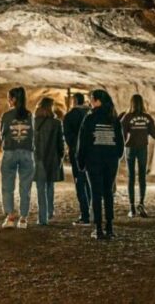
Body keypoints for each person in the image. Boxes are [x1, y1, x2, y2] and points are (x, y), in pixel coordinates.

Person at [77, 89, 124, 240]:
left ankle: (98, 228)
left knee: (96, 194)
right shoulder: (113, 118)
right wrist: (117, 156)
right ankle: (109, 227)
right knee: (108, 192)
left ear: (97, 101)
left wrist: (81, 161)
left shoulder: (90, 118)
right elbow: (120, 141)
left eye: (91, 99)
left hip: (94, 160)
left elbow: (83, 141)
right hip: (110, 160)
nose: (90, 102)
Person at [0, 87, 35, 229]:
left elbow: (2, 134)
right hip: (27, 152)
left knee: (7, 186)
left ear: (13, 99)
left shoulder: (7, 116)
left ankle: (10, 217)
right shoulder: (29, 115)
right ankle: (23, 219)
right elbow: (33, 134)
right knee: (25, 187)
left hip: (10, 152)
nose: (8, 100)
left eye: (9, 97)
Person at [120, 94, 155, 218]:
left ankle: (132, 208)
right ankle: (141, 203)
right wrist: (145, 129)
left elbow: (122, 135)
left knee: (131, 177)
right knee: (142, 176)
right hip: (142, 148)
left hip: (130, 148)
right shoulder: (147, 117)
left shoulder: (127, 117)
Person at [33, 97, 65, 226]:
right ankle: (50, 211)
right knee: (50, 186)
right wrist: (60, 157)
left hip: (37, 157)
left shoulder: (34, 122)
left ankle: (42, 218)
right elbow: (60, 143)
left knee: (40, 187)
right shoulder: (56, 123)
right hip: (52, 158)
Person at [63, 92, 92, 227]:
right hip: (93, 153)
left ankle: (85, 215)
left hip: (78, 154)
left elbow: (68, 137)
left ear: (74, 101)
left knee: (80, 183)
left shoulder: (69, 116)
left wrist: (73, 149)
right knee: (91, 182)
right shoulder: (91, 114)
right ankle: (92, 211)